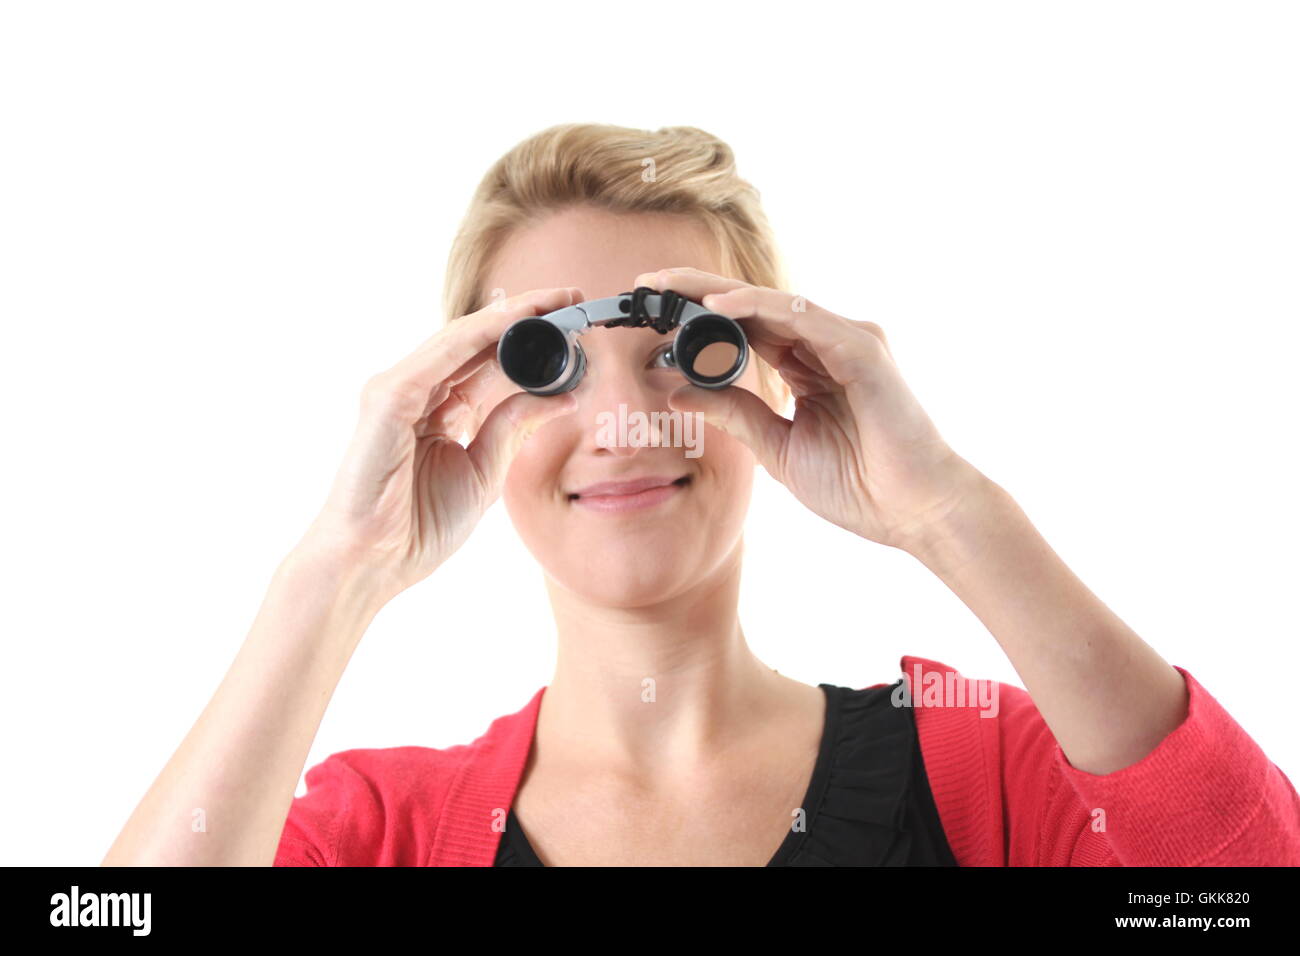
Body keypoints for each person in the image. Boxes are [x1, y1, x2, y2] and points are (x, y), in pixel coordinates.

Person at [102, 123, 1300, 867]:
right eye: (546, 358)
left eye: (684, 343)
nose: (623, 415)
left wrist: (946, 509)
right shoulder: (378, 828)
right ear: (463, 401)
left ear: (776, 370)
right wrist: (333, 573)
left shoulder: (981, 767)